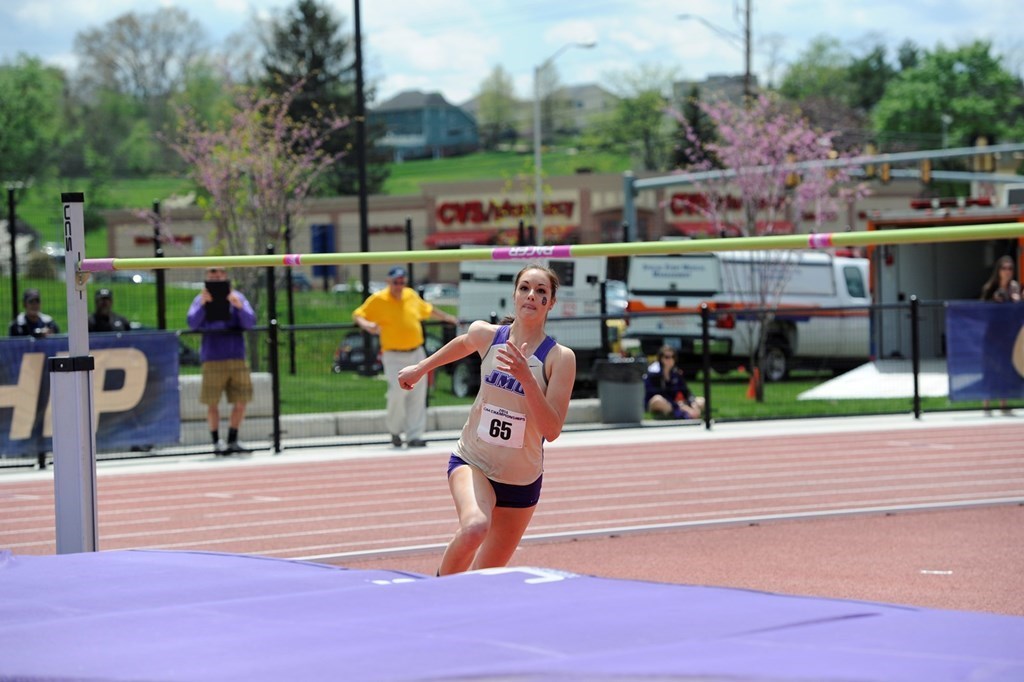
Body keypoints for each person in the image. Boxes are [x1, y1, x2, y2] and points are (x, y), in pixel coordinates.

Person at [397, 263, 576, 576]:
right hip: (473, 460)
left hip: (521, 480)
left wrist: (526, 378)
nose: (531, 296)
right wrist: (420, 369)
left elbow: (552, 429)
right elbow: (463, 344)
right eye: (525, 288)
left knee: (485, 576)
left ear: (551, 303)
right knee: (475, 528)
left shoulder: (559, 358)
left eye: (541, 291)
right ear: (515, 294)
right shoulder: (488, 336)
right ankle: (433, 594)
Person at [352, 265, 458, 448]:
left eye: (402, 282)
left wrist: (447, 317)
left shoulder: (410, 295)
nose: (399, 285)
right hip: (393, 355)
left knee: (418, 394)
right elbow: (358, 314)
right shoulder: (379, 299)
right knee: (397, 393)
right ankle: (394, 431)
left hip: (416, 352)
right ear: (388, 282)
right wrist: (367, 325)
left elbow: (428, 309)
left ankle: (414, 435)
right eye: (395, 282)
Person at [187, 266, 257, 455]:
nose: (216, 278)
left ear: (225, 276)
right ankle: (216, 442)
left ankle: (233, 440)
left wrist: (238, 307)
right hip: (212, 358)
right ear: (206, 277)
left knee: (241, 400)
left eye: (219, 274)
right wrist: (203, 305)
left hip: (237, 358)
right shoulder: (200, 299)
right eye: (212, 274)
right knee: (212, 402)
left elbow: (250, 322)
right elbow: (192, 323)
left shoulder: (238, 297)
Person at [979, 255, 1020, 414]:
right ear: (999, 270)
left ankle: (1004, 404)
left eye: (1010, 268)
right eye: (1004, 268)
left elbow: (1018, 310)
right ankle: (986, 405)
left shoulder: (1014, 287)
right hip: (991, 333)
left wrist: (1015, 300)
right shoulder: (990, 287)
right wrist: (994, 300)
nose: (1007, 271)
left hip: (1008, 334)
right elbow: (982, 309)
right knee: (989, 368)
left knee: (1005, 368)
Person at [643, 345, 704, 419]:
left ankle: (685, 413)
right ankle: (678, 414)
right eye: (667, 357)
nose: (670, 359)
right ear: (661, 358)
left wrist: (692, 403)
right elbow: (661, 394)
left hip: (676, 403)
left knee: (701, 401)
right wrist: (683, 407)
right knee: (657, 399)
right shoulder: (654, 373)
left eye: (673, 357)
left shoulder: (676, 373)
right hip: (658, 403)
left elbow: (686, 392)